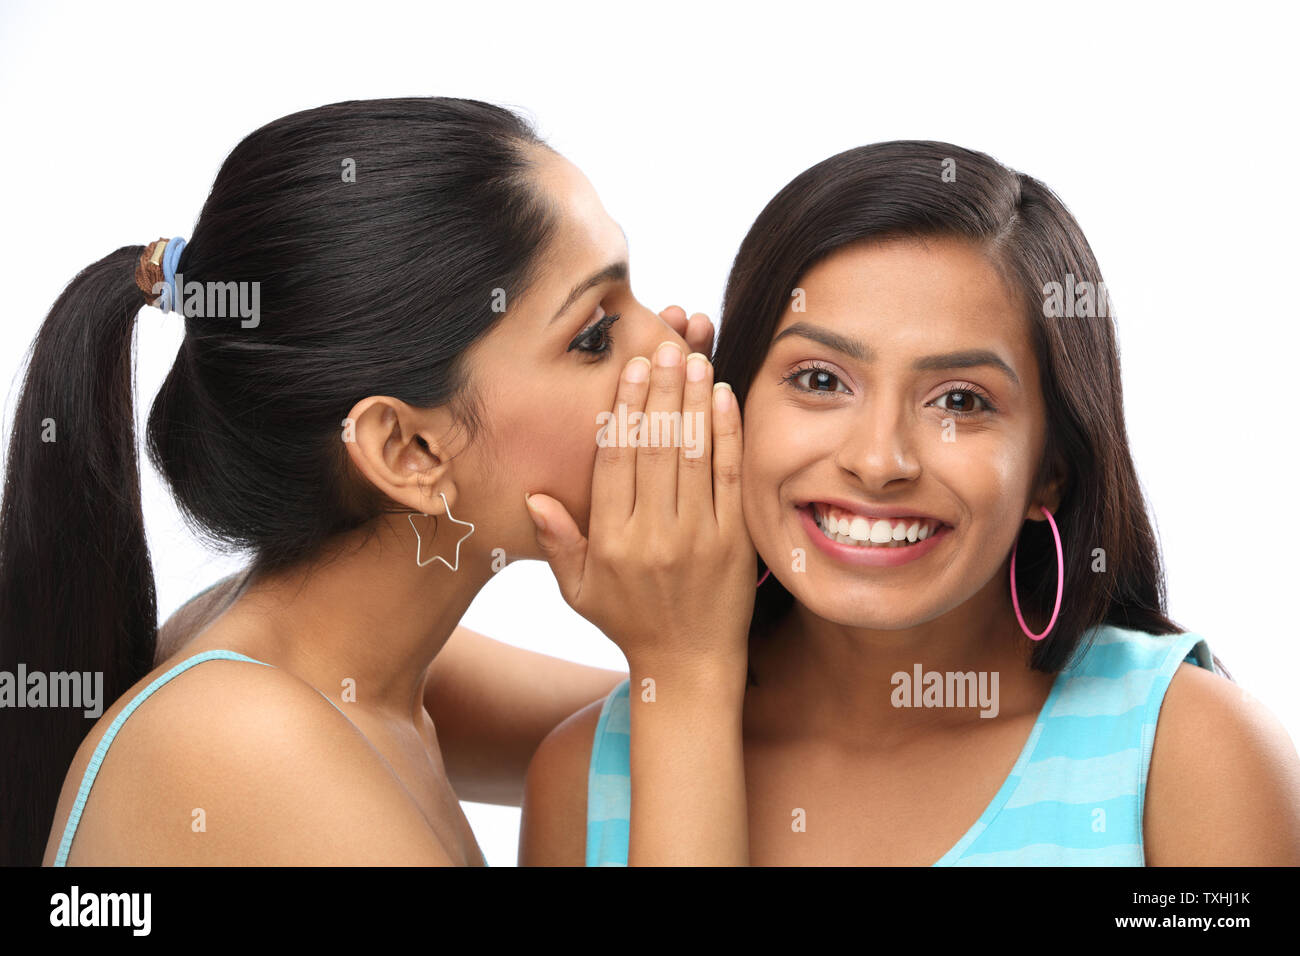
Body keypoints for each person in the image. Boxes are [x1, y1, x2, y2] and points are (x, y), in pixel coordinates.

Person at [0, 96, 754, 866]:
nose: (677, 350)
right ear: (407, 451)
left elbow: (750, 729)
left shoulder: (370, 669)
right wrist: (686, 667)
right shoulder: (237, 741)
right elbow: (685, 708)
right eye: (594, 335)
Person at [520, 141, 1300, 865]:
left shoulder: (1190, 756)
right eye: (820, 380)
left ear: (1050, 473)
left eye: (960, 399)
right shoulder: (584, 785)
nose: (878, 461)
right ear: (730, 410)